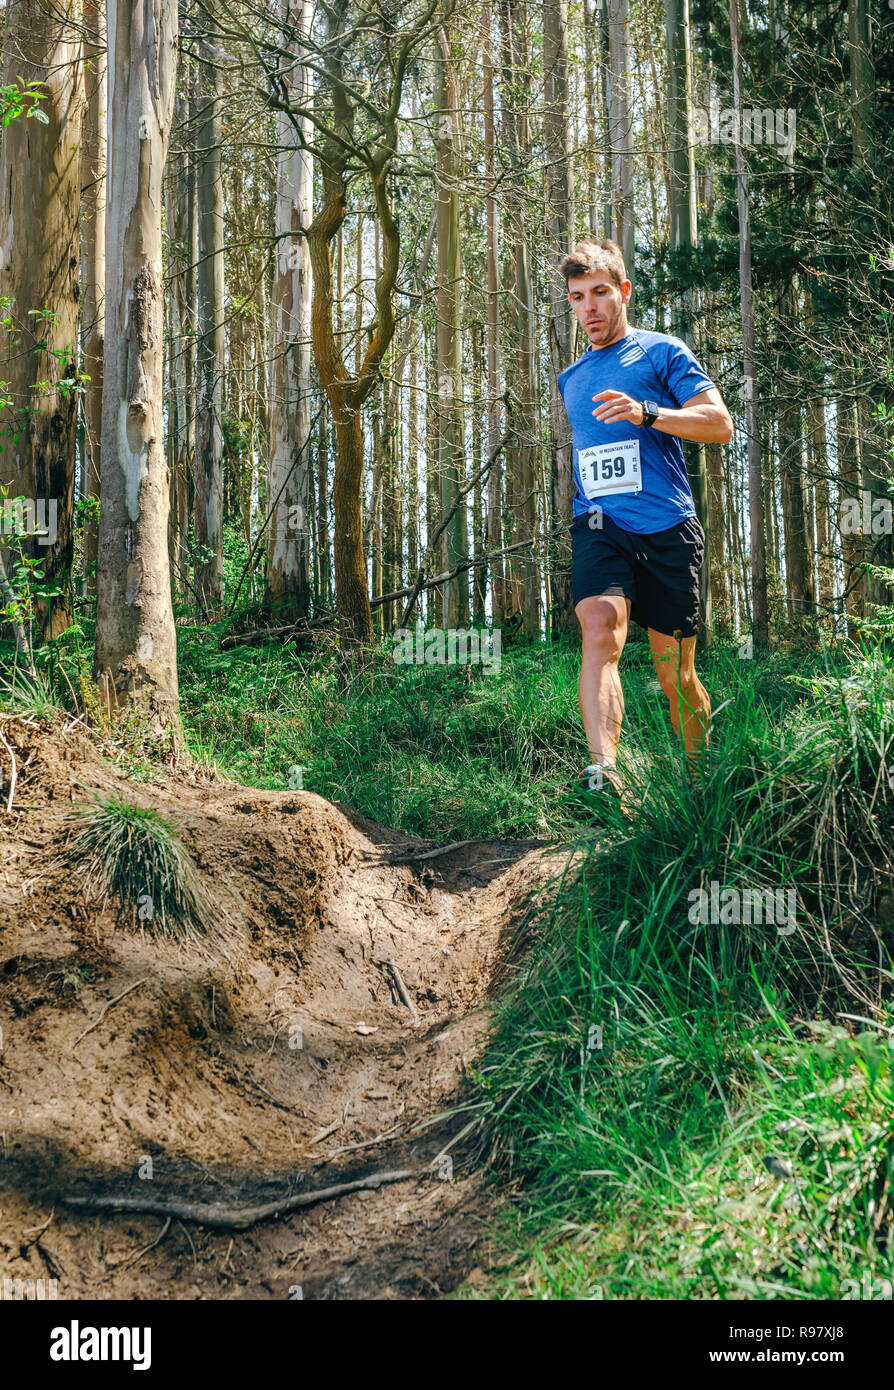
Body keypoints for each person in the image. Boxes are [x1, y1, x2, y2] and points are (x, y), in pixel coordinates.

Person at [557, 238, 733, 805]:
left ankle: (700, 784)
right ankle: (603, 773)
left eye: (600, 293)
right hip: (599, 523)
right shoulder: (570, 378)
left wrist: (648, 413)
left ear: (623, 293)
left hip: (667, 529)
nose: (589, 307)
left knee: (673, 670)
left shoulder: (662, 353)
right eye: (577, 298)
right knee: (599, 627)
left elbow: (718, 424)